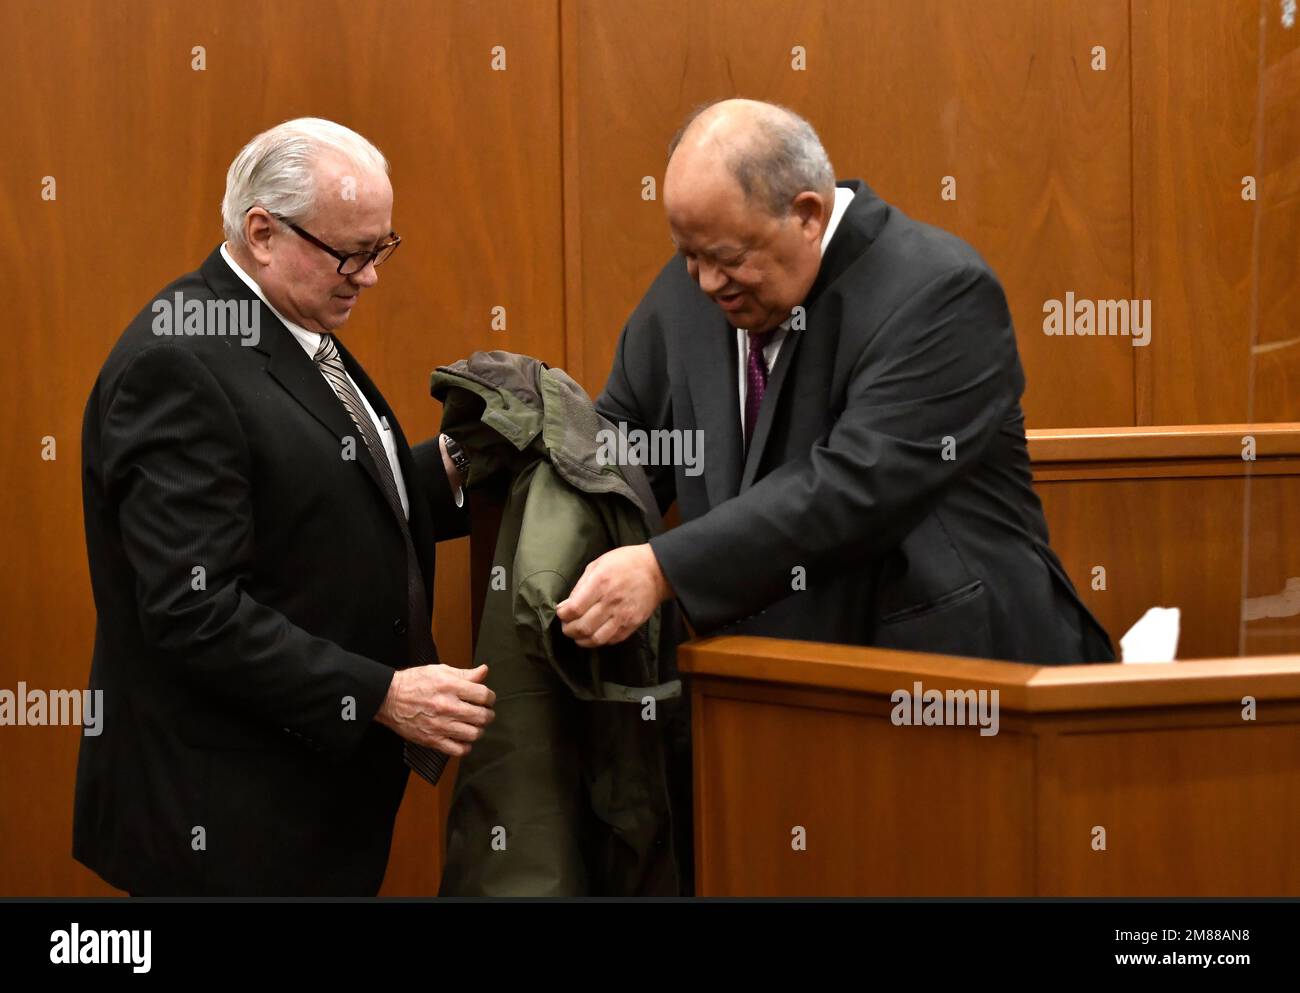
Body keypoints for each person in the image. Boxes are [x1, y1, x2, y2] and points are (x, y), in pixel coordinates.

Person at [74, 118, 495, 896]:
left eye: (382, 248)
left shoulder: (285, 321)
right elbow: (193, 610)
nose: (368, 276)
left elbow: (315, 505)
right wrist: (384, 694)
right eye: (352, 253)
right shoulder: (178, 363)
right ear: (262, 232)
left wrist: (455, 470)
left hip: (306, 809)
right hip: (229, 826)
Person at [558, 98, 1113, 664]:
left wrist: (662, 567)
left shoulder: (941, 294)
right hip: (754, 682)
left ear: (807, 214)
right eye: (689, 256)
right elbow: (624, 448)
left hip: (944, 678)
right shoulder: (697, 284)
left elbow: (854, 484)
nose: (704, 281)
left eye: (725, 257)